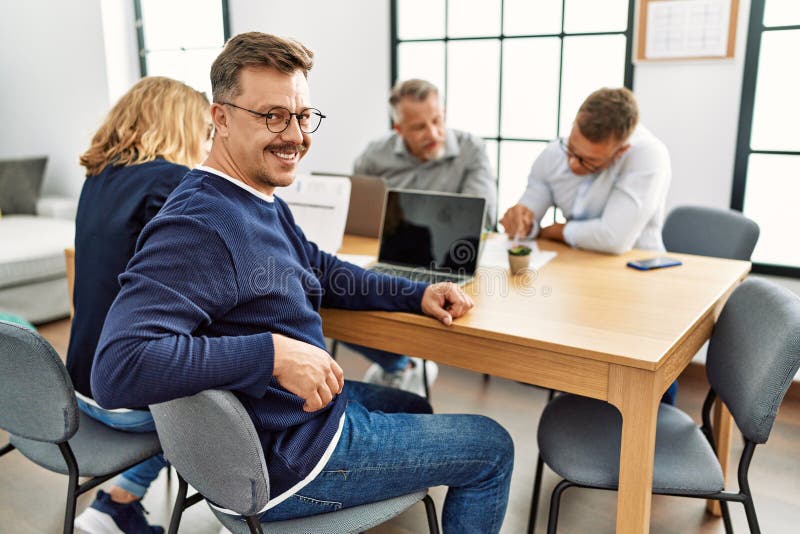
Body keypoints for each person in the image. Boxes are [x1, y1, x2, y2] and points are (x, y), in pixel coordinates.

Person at [90, 32, 513, 533]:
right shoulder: (198, 224)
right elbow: (118, 367)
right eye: (272, 116)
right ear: (220, 118)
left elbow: (318, 268)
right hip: (286, 457)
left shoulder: (253, 196)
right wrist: (272, 354)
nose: (295, 135)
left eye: (301, 116)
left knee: (412, 404)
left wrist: (415, 293)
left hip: (287, 424)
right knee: (492, 446)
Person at [68, 76, 211, 534]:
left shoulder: (99, 179)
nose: (208, 142)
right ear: (181, 124)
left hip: (78, 385)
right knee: (225, 381)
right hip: (124, 400)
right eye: (204, 130)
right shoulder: (173, 181)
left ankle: (115, 504)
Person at [500, 86, 677, 404]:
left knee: (643, 382)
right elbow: (531, 212)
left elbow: (613, 238)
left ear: (619, 151)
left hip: (639, 287)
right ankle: (580, 424)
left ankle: (652, 433)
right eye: (571, 148)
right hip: (580, 283)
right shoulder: (557, 154)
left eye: (588, 161)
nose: (573, 164)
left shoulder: (649, 156)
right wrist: (522, 218)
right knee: (581, 376)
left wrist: (555, 231)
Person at [351, 78, 498, 393]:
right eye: (419, 127)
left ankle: (405, 364)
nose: (433, 133)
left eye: (437, 120)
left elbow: (485, 217)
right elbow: (360, 212)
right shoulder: (375, 155)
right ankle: (400, 364)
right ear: (399, 129)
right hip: (391, 251)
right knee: (337, 294)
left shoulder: (471, 149)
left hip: (449, 258)